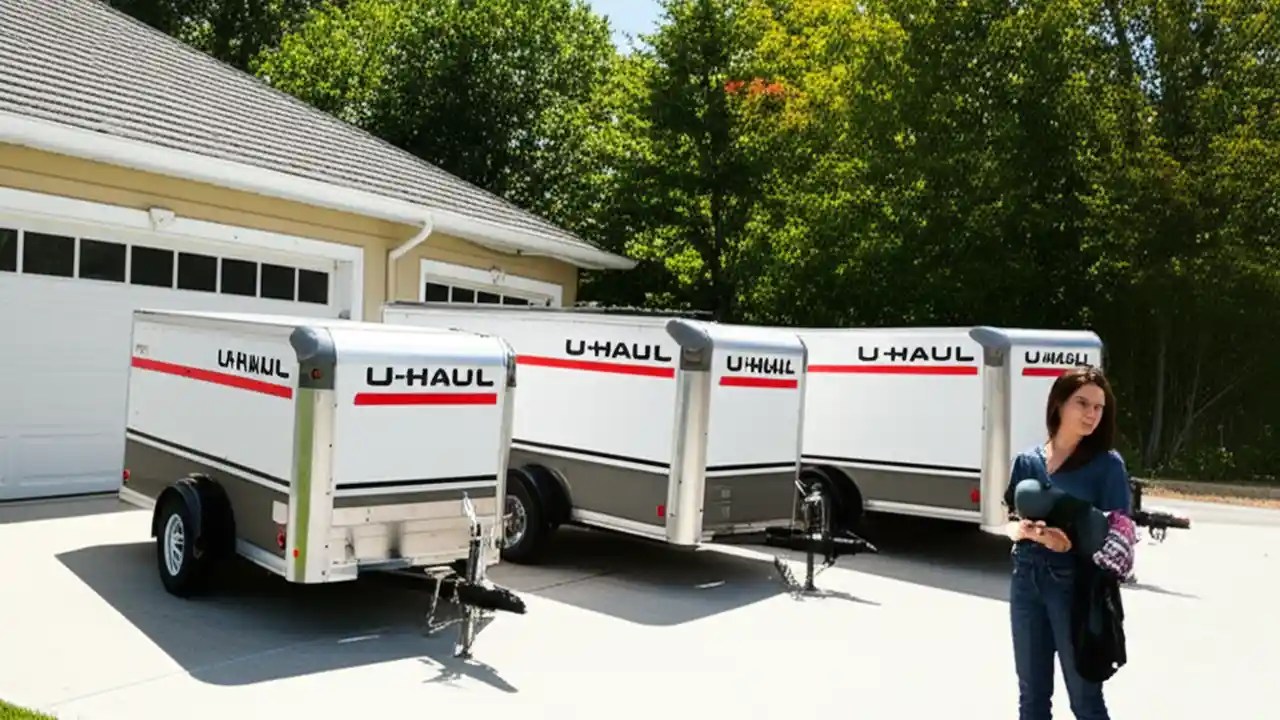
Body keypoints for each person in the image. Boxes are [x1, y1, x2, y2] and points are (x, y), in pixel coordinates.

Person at [1004, 365, 1132, 720]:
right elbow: (1009, 518)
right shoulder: (1027, 462)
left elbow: (1120, 537)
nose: (1092, 414)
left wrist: (1068, 544)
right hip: (1025, 578)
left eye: (1099, 407)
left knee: (1085, 700)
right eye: (1083, 403)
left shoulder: (1107, 466)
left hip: (1077, 587)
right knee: (1032, 698)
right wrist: (1022, 531)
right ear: (1059, 404)